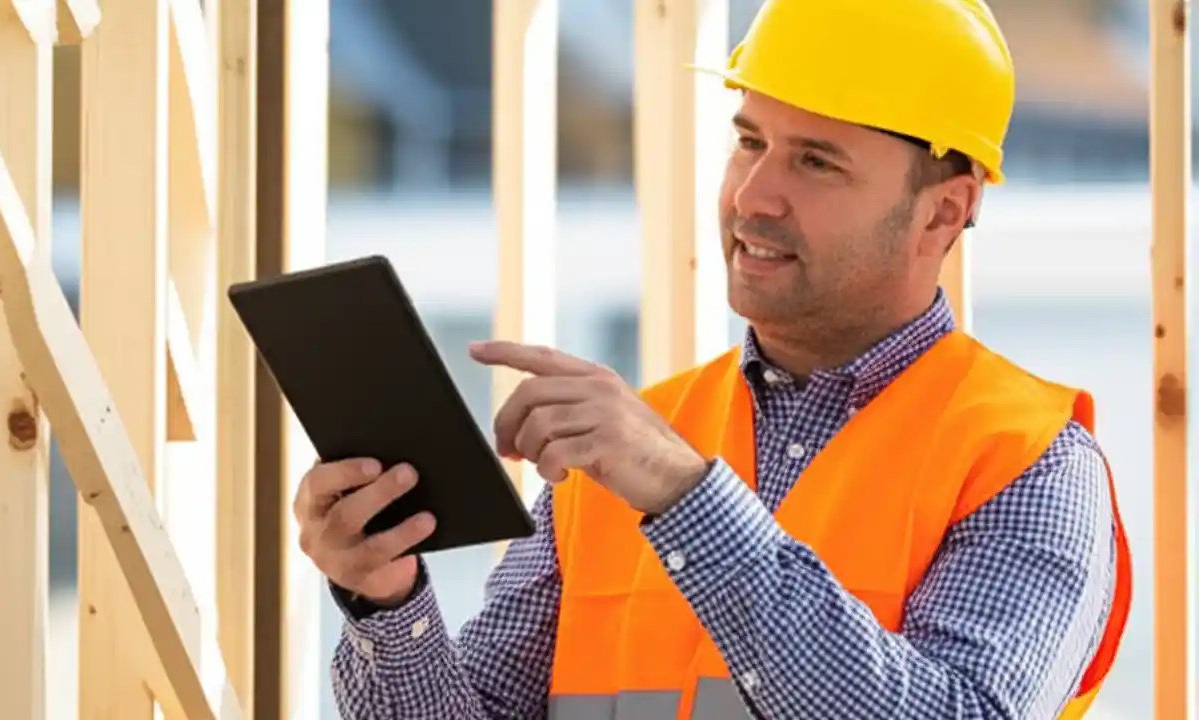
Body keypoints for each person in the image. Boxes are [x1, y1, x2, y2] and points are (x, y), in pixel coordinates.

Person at [294, 0, 1132, 717]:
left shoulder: (1027, 463)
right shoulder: (617, 460)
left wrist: (684, 498)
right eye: (749, 141)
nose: (753, 195)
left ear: (942, 214)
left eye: (816, 161)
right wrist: (385, 599)